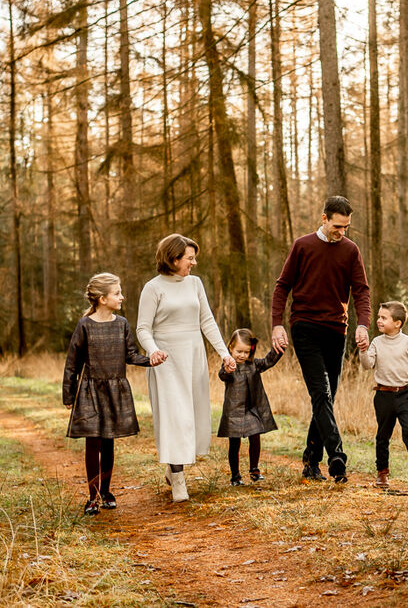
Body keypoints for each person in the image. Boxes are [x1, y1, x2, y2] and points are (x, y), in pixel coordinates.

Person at [271, 195, 371, 483]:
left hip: (336, 331)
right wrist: (277, 325)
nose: (342, 232)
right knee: (321, 392)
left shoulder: (351, 250)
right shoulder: (303, 246)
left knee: (328, 396)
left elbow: (361, 291)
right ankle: (336, 457)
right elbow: (282, 287)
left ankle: (311, 462)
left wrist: (362, 325)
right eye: (338, 226)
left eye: (347, 227)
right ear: (324, 218)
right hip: (305, 327)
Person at [137, 234, 236, 503]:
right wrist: (153, 350)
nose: (194, 263)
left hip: (193, 355)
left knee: (190, 413)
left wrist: (224, 353)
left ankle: (173, 468)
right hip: (165, 359)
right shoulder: (153, 288)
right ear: (173, 258)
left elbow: (207, 321)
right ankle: (178, 479)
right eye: (189, 258)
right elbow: (142, 328)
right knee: (174, 416)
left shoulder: (195, 283)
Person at [63, 273, 155, 516]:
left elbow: (131, 355)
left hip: (115, 391)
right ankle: (92, 497)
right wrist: (69, 394)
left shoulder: (122, 323)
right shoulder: (85, 325)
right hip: (90, 392)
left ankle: (106, 492)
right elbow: (72, 363)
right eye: (117, 293)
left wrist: (151, 359)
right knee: (92, 443)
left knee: (108, 442)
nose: (122, 296)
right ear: (102, 298)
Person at [358, 301, 408, 491]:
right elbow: (367, 365)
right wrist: (363, 350)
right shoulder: (376, 342)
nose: (379, 320)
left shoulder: (407, 342)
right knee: (383, 435)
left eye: (384, 318)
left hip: (405, 394)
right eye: (378, 317)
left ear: (397, 323)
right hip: (383, 395)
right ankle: (382, 473)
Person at [217, 328, 282, 485]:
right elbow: (222, 375)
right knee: (234, 443)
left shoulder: (253, 364)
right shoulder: (229, 366)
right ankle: (235, 476)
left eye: (246, 352)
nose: (242, 355)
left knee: (255, 436)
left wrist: (279, 349)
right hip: (234, 411)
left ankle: (254, 469)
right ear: (230, 347)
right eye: (239, 351)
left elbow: (268, 361)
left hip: (252, 410)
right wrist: (226, 368)